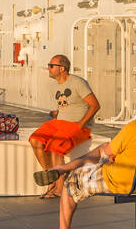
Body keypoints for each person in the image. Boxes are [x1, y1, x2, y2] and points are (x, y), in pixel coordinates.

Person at [38, 80, 136, 229]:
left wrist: (110, 157)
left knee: (72, 180)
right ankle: (63, 168)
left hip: (120, 181)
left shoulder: (134, 127)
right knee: (103, 151)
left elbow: (110, 151)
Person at [28, 55, 100, 199]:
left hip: (76, 125)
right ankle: (51, 178)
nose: (48, 68)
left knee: (55, 147)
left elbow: (95, 105)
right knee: (35, 140)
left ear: (62, 69)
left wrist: (81, 123)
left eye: (51, 65)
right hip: (59, 123)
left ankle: (59, 188)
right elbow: (67, 106)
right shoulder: (56, 86)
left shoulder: (78, 82)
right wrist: (56, 114)